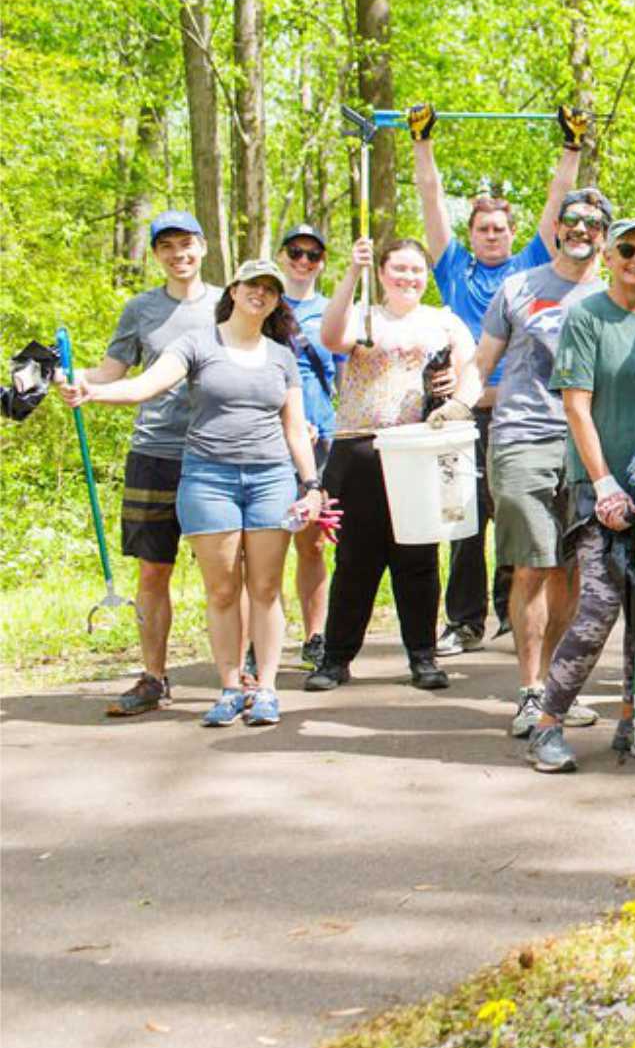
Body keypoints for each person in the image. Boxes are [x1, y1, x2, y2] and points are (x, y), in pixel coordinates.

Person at [62, 260, 327, 728]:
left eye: (270, 288)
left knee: (264, 587)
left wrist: (311, 485)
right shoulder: (197, 343)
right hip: (208, 479)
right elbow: (147, 385)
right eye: (253, 284)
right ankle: (229, 687)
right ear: (235, 288)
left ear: (277, 300)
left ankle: (264, 688)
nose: (260, 293)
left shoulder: (282, 355)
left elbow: (295, 429)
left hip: (270, 478)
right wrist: (94, 392)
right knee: (223, 589)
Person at [412, 101, 589, 655]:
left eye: (499, 228)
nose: (491, 235)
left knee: (527, 521)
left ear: (514, 233)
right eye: (482, 228)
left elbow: (560, 206)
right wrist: (422, 144)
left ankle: (517, 613)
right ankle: (464, 620)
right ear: (472, 234)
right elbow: (431, 202)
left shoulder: (529, 267)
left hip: (527, 410)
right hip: (468, 407)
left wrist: (571, 149)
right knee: (465, 518)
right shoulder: (454, 268)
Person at [526, 219, 635, 772]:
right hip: (599, 490)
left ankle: (633, 719)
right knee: (597, 609)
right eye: (628, 249)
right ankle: (548, 724)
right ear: (610, 255)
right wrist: (605, 482)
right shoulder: (587, 316)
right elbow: (576, 406)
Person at [311, 238, 480, 691]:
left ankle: (423, 657)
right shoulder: (366, 315)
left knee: (418, 558)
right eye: (398, 269)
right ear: (382, 273)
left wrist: (457, 400)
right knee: (355, 562)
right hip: (359, 449)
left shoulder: (442, 321)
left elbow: (474, 370)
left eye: (416, 270)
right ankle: (335, 658)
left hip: (419, 450)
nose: (408, 278)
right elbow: (330, 337)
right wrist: (351, 272)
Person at [474, 187, 610, 738]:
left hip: (588, 444)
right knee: (531, 563)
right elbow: (482, 363)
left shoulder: (612, 292)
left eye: (592, 223)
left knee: (570, 569)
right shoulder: (518, 288)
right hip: (522, 436)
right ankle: (530, 692)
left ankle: (557, 686)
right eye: (570, 220)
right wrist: (453, 404)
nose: (580, 230)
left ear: (605, 233)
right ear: (555, 227)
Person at [73, 212, 220, 715]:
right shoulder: (140, 309)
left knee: (229, 573)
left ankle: (240, 673)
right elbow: (110, 372)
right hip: (153, 454)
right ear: (156, 255)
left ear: (202, 246)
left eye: (187, 244)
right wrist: (68, 379)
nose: (179, 255)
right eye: (168, 247)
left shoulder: (229, 303)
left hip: (216, 453)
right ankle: (153, 678)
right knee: (153, 573)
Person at [278, 223, 341, 672]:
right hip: (266, 439)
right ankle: (255, 641)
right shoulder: (261, 303)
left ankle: (315, 635)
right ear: (282, 256)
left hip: (321, 438)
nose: (303, 262)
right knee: (261, 546)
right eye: (295, 253)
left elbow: (346, 376)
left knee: (312, 543)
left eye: (312, 256)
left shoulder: (330, 311)